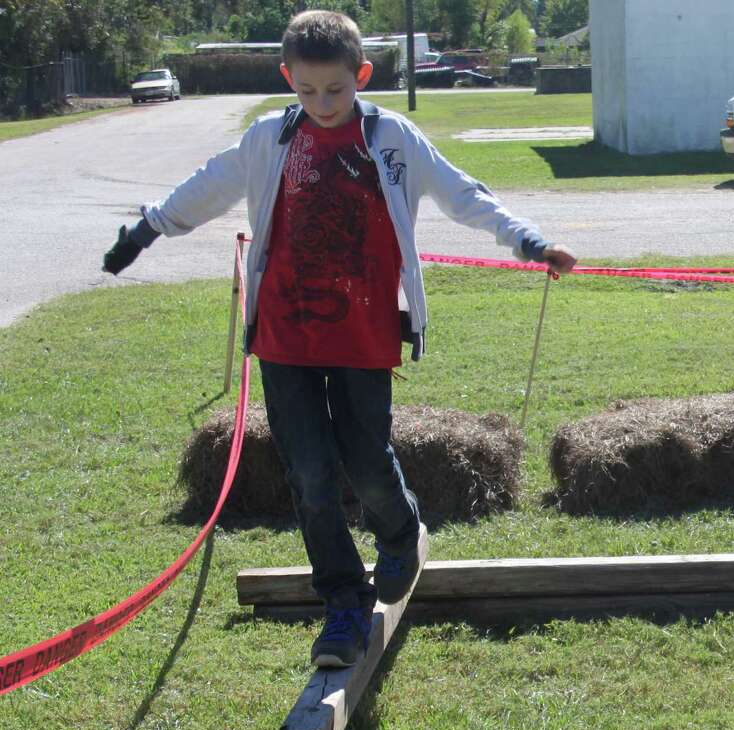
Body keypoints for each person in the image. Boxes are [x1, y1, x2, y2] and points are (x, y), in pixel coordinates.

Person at [102, 10, 576, 667]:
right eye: (306, 90)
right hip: (284, 334)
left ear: (361, 75)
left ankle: (401, 531)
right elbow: (208, 185)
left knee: (366, 460)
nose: (322, 104)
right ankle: (344, 604)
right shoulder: (270, 138)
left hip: (362, 333)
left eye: (336, 90)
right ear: (287, 78)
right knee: (311, 477)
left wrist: (529, 240)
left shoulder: (391, 136)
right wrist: (146, 229)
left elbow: (463, 193)